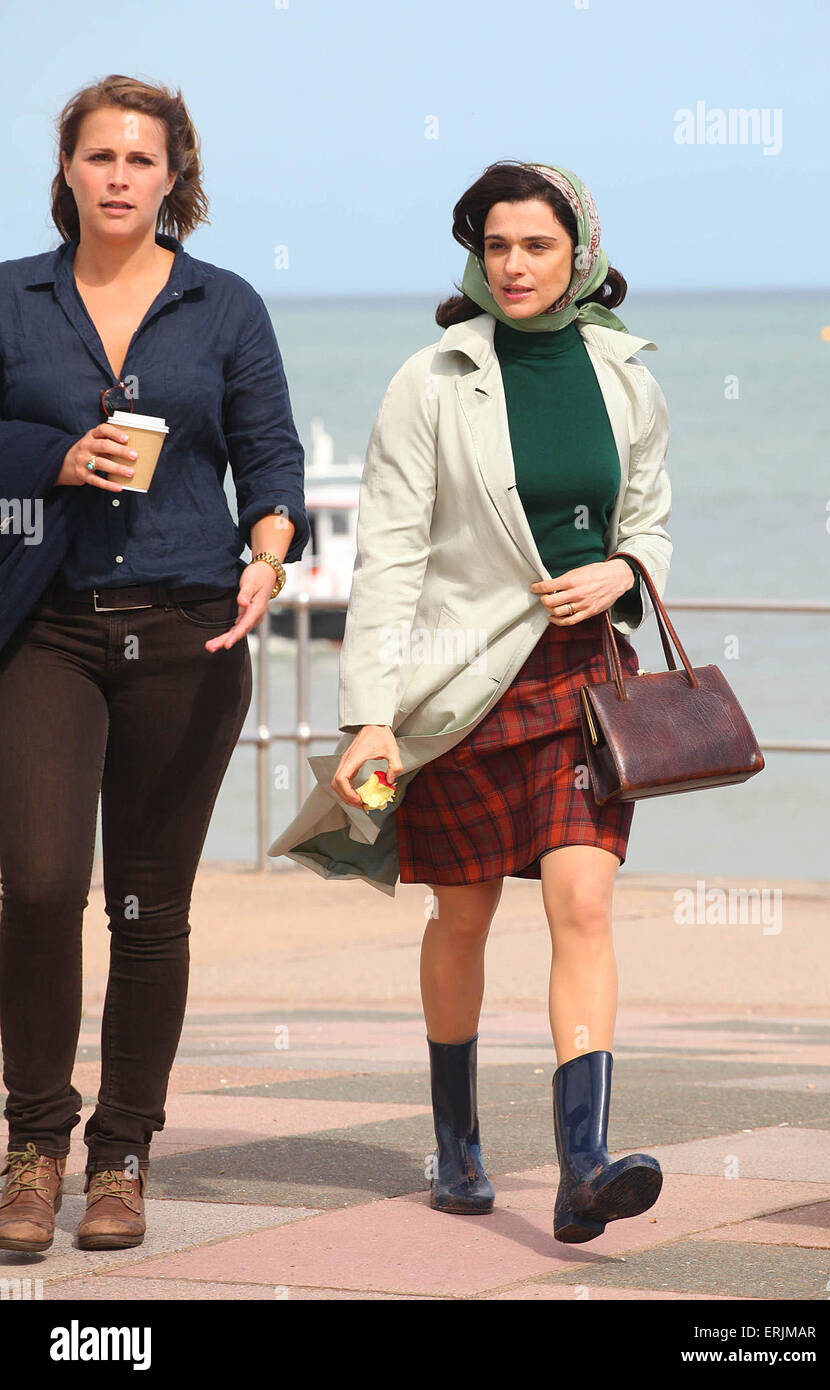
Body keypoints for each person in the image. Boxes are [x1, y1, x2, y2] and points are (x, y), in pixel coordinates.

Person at [324, 160, 673, 1243]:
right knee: (462, 913)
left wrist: (622, 571)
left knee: (581, 901)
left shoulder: (625, 374)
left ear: (581, 253)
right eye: (495, 245)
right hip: (461, 687)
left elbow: (649, 520)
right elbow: (385, 557)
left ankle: (582, 1166)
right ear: (473, 256)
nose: (513, 265)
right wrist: (367, 713)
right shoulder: (429, 380)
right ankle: (459, 1144)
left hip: (584, 684)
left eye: (536, 244)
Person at [0, 74, 309, 1253]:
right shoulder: (12, 299)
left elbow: (271, 456)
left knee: (148, 902)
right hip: (45, 626)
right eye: (99, 157)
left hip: (187, 625)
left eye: (142, 158)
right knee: (34, 885)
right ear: (67, 170)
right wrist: (51, 455)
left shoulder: (223, 306)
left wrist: (268, 555)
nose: (120, 176)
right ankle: (34, 1143)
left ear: (175, 173)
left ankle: (123, 1154)